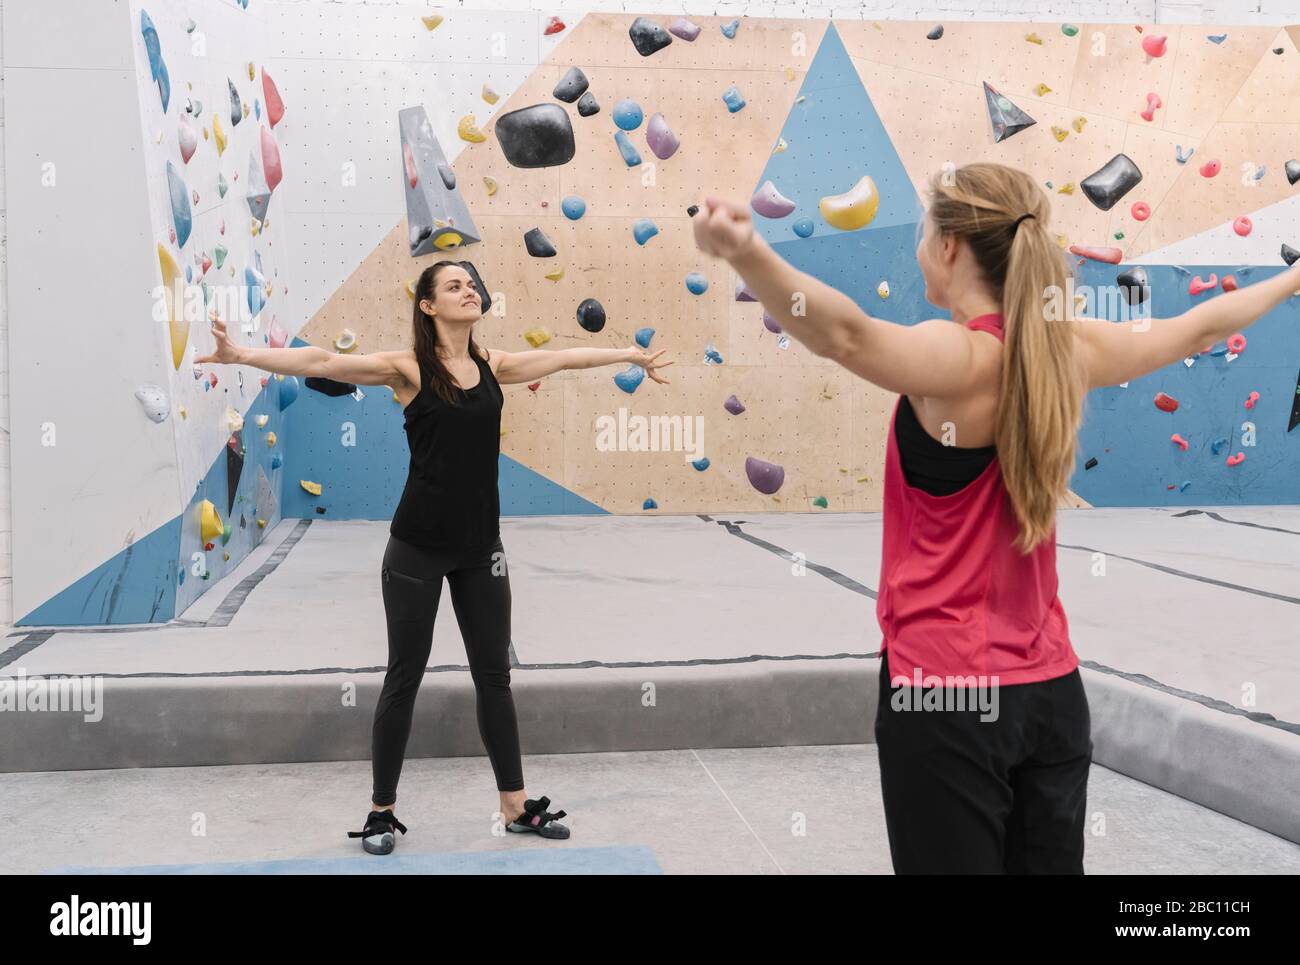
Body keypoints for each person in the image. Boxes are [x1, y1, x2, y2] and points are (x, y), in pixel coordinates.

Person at [692, 161, 1300, 873]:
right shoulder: (1067, 349)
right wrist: (1292, 278)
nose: (919, 250)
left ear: (950, 247)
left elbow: (846, 337)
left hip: (947, 698)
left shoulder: (963, 358)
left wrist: (746, 250)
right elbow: (1198, 327)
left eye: (923, 236)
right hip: (1052, 695)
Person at [198, 259, 672, 854]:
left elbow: (567, 359)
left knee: (494, 677)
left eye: (472, 284)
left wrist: (627, 353)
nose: (469, 290)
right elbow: (323, 362)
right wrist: (242, 356)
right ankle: (381, 811)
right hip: (416, 550)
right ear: (428, 306)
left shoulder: (493, 365)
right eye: (454, 286)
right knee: (405, 675)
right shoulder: (407, 369)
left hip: (481, 551)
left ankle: (515, 806)